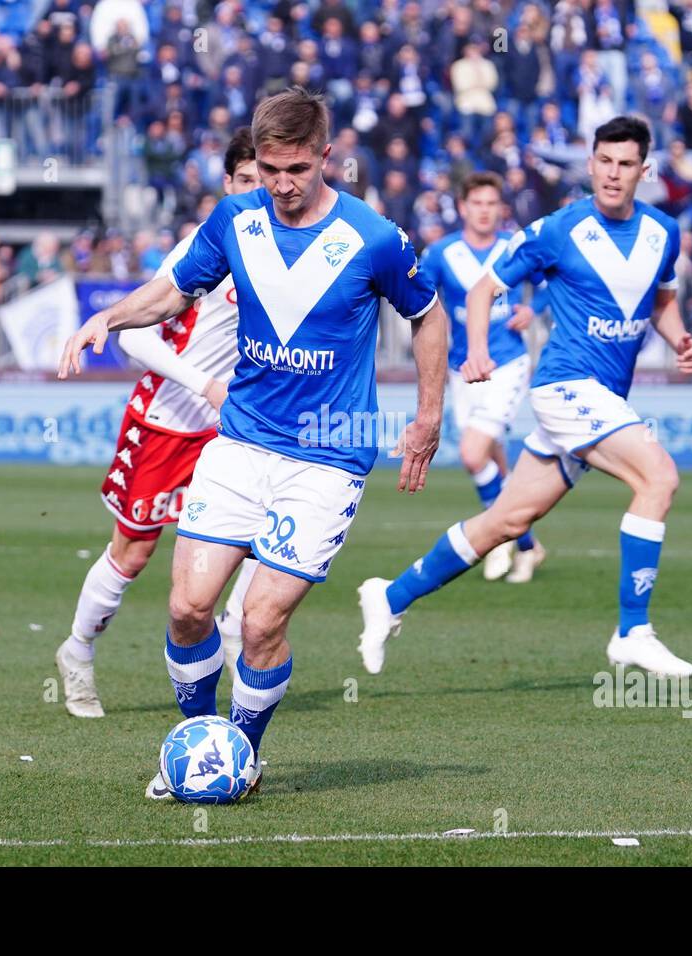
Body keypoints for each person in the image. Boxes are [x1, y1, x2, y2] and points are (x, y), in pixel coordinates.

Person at [58, 88, 447, 797]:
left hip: (327, 454)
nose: (281, 184)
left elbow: (428, 316)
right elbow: (174, 289)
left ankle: (243, 753)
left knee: (261, 620)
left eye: (296, 168)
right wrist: (108, 318)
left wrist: (428, 415)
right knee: (186, 609)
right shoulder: (235, 219)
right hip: (239, 442)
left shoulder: (373, 237)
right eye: (269, 168)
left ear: (326, 157)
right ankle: (198, 746)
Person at [356, 115, 692, 679]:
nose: (614, 175)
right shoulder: (558, 229)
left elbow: (661, 300)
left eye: (626, 165)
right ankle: (632, 631)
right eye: (605, 162)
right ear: (590, 164)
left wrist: (682, 339)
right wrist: (474, 351)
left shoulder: (663, 231)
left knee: (505, 520)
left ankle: (389, 598)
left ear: (645, 170)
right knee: (658, 477)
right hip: (566, 387)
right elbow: (483, 287)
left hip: (603, 398)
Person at [55, 128, 262, 720]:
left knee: (260, 538)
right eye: (245, 180)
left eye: (265, 180)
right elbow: (138, 337)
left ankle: (228, 635)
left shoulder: (281, 246)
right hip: (169, 421)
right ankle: (77, 651)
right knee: (135, 551)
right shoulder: (206, 242)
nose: (258, 191)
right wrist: (207, 386)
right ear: (227, 185)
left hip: (234, 426)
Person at [419, 170, 545, 583]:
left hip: (506, 363)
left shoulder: (514, 246)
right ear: (462, 207)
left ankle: (497, 539)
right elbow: (419, 298)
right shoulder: (441, 253)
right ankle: (528, 546)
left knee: (473, 454)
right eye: (477, 203)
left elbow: (550, 282)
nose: (485, 211)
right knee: (492, 458)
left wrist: (534, 308)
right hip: (462, 369)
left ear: (500, 209)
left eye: (492, 204)